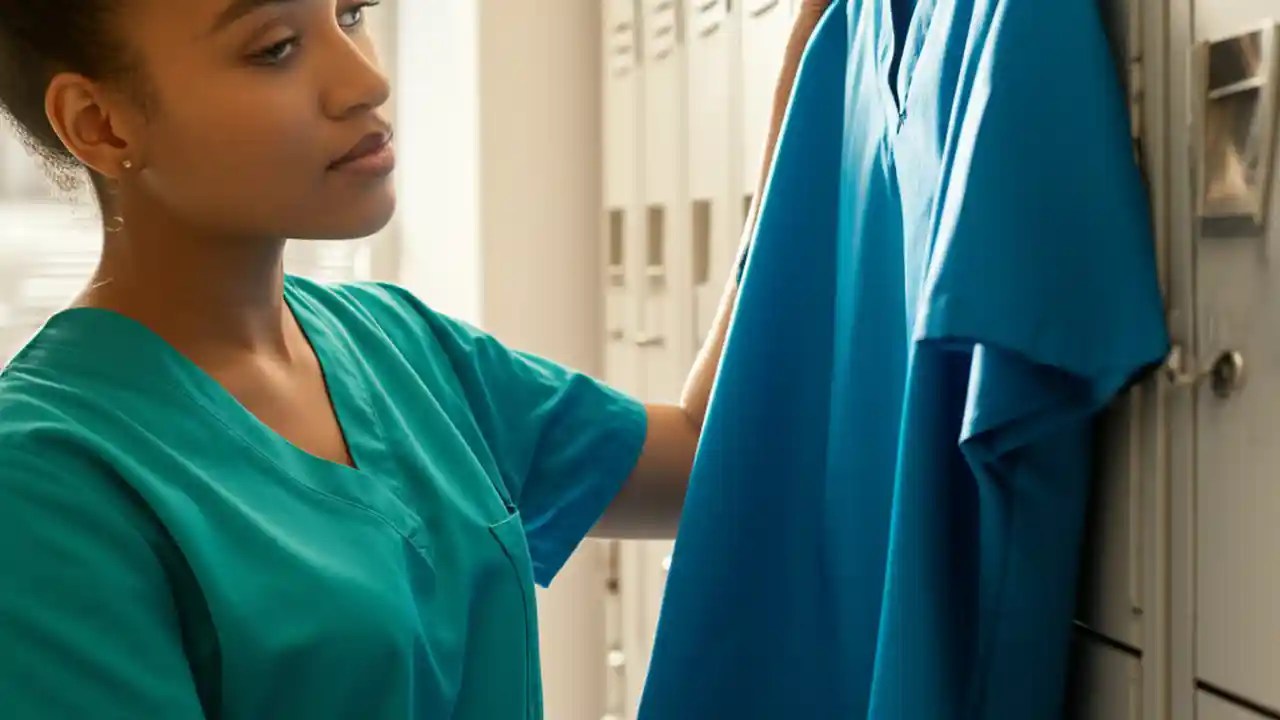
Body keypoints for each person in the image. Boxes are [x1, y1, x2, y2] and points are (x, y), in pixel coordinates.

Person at [0, 0, 830, 717]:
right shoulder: (45, 479)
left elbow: (708, 457)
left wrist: (811, 75)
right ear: (100, 123)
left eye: (352, 14)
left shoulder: (398, 345)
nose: (364, 79)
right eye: (276, 48)